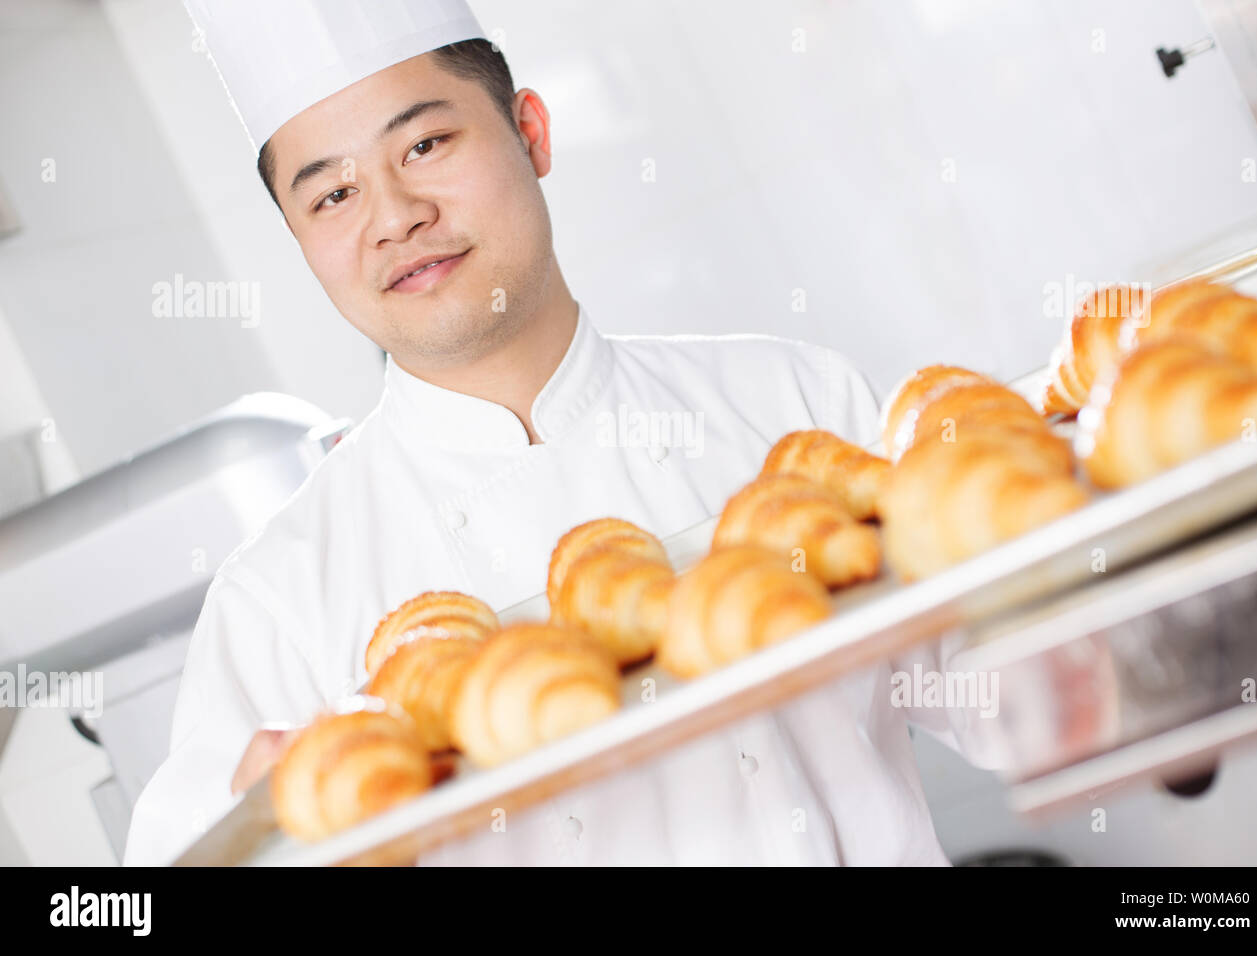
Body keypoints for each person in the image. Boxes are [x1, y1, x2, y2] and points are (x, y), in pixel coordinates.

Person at [124, 0, 954, 866]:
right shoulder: (280, 601)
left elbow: (1025, 687)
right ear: (302, 245)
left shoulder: (791, 402)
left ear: (532, 133)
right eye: (334, 194)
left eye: (424, 146)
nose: (395, 216)